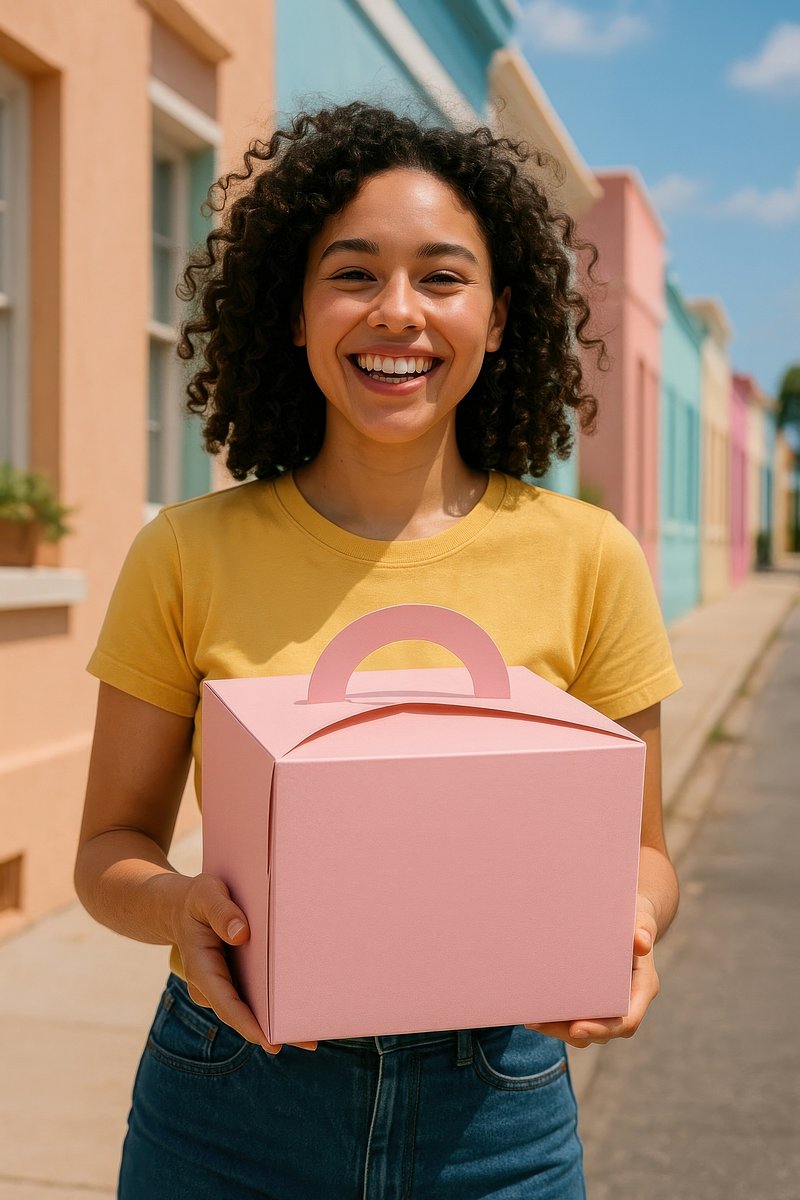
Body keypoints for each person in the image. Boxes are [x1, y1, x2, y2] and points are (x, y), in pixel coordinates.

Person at [75, 101, 681, 1198]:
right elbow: (109, 848)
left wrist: (624, 930)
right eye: (352, 274)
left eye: (442, 278)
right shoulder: (184, 552)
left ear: (498, 318)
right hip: (228, 1101)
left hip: (495, 1111)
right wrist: (181, 912)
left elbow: (643, 855)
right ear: (294, 314)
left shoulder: (588, 557)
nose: (396, 313)